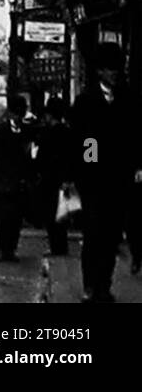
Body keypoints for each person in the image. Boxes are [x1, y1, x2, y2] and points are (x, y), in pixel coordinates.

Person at [70, 43, 140, 301]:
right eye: (110, 69)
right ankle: (90, 285)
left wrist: (134, 166)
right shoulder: (86, 102)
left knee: (111, 237)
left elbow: (135, 139)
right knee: (93, 236)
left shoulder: (129, 100)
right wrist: (91, 167)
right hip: (95, 181)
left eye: (117, 69)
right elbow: (85, 141)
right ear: (100, 72)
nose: (114, 74)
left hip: (120, 180)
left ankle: (104, 285)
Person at [0, 95, 32, 262]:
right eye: (19, 111)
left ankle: (11, 248)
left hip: (19, 182)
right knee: (4, 218)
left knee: (16, 219)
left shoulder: (27, 131)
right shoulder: (0, 130)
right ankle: (3, 249)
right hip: (2, 182)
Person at [34, 96, 73, 257]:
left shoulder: (47, 134)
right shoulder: (68, 132)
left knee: (51, 215)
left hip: (50, 179)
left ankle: (56, 247)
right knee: (62, 214)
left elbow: (40, 157)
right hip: (62, 179)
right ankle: (61, 246)